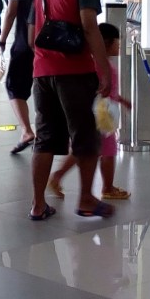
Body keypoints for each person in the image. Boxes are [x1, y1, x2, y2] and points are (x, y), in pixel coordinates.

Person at [27, 0, 112, 221]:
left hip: (42, 74)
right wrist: (103, 70)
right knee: (86, 136)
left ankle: (38, 204)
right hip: (74, 73)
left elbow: (31, 37)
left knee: (45, 139)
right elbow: (90, 27)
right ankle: (86, 199)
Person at [48, 22, 131, 202]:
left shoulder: (93, 62)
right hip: (101, 115)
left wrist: (122, 100)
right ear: (107, 43)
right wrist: (118, 101)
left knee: (82, 148)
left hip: (94, 112)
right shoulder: (102, 65)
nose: (119, 46)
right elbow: (105, 91)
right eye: (117, 42)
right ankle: (107, 187)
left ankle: (58, 176)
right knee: (107, 150)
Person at [0, 0, 54, 154]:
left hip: (23, 44)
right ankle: (45, 134)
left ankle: (27, 130)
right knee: (46, 90)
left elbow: (10, 13)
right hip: (50, 47)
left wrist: (1, 40)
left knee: (15, 87)